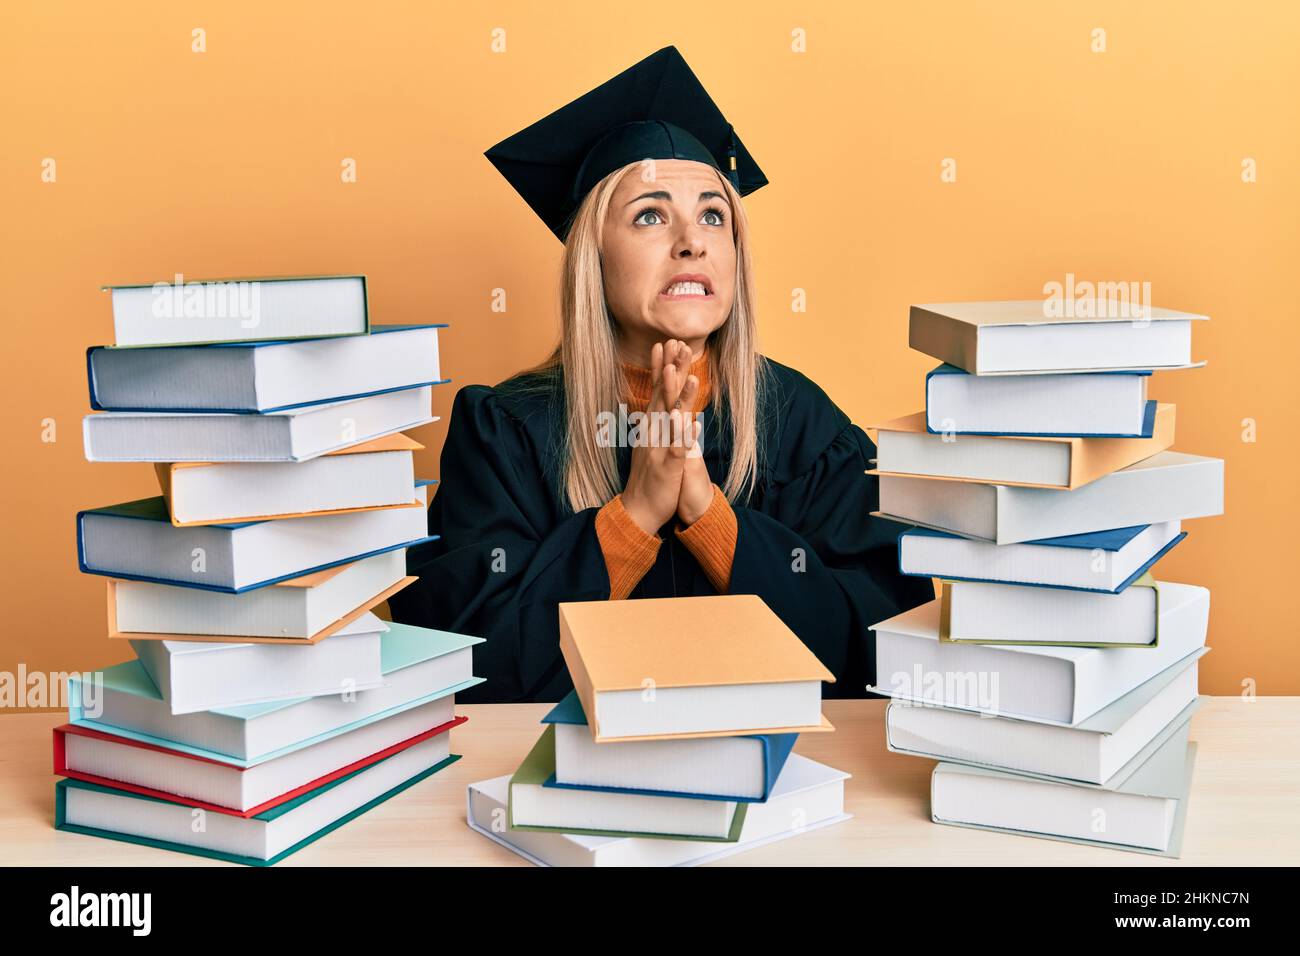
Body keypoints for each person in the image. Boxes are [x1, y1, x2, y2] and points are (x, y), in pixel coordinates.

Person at [388, 46, 933, 703]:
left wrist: (711, 518)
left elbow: (884, 651)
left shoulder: (801, 422)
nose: (692, 240)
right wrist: (635, 514)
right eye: (650, 215)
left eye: (713, 215)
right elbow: (468, 667)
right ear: (593, 256)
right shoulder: (505, 431)